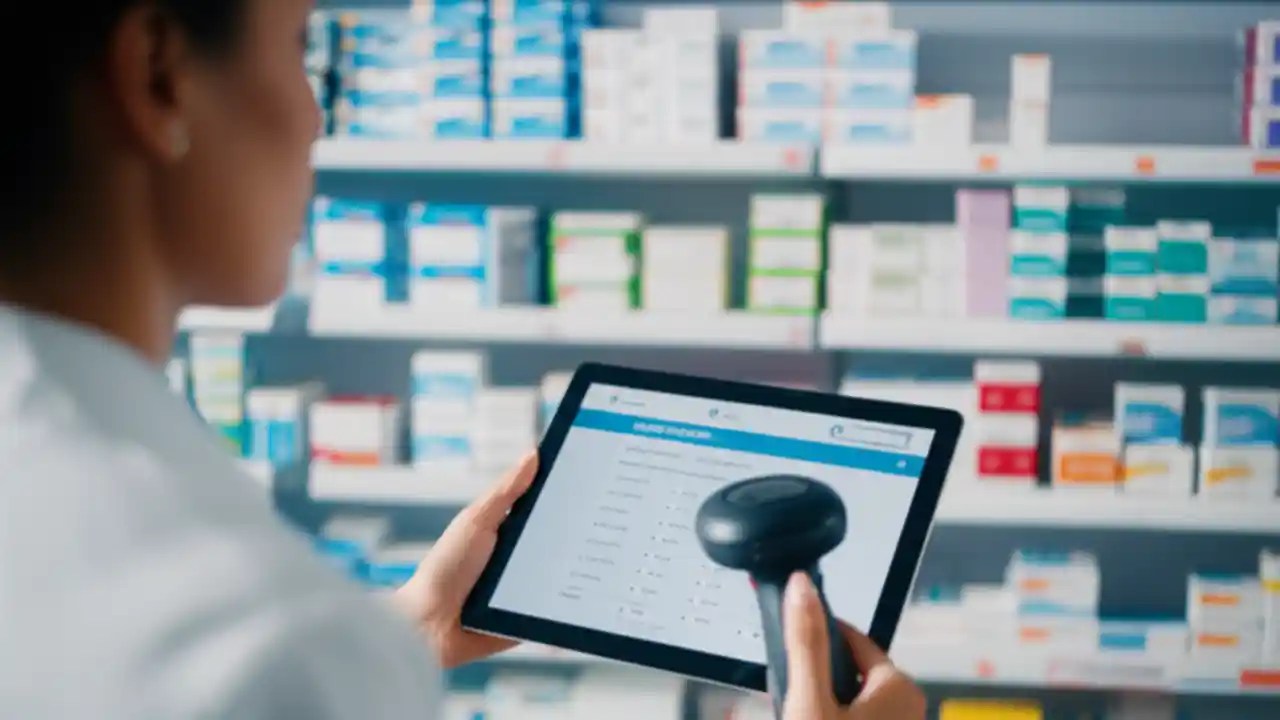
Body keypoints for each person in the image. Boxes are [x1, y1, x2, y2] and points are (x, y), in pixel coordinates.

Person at [0, 1, 927, 718]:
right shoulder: (263, 644)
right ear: (159, 73)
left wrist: (407, 629)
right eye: (295, 46)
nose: (317, 115)